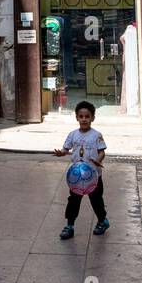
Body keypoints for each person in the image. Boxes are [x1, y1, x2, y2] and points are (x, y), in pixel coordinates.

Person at [51, 101, 109, 240]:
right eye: (81, 116)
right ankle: (69, 225)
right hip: (76, 177)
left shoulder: (96, 135)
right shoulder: (72, 135)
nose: (84, 119)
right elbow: (66, 149)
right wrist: (62, 153)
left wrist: (98, 160)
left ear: (92, 118)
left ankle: (103, 221)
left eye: (87, 116)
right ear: (77, 117)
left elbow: (102, 152)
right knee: (73, 201)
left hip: (94, 176)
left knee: (96, 200)